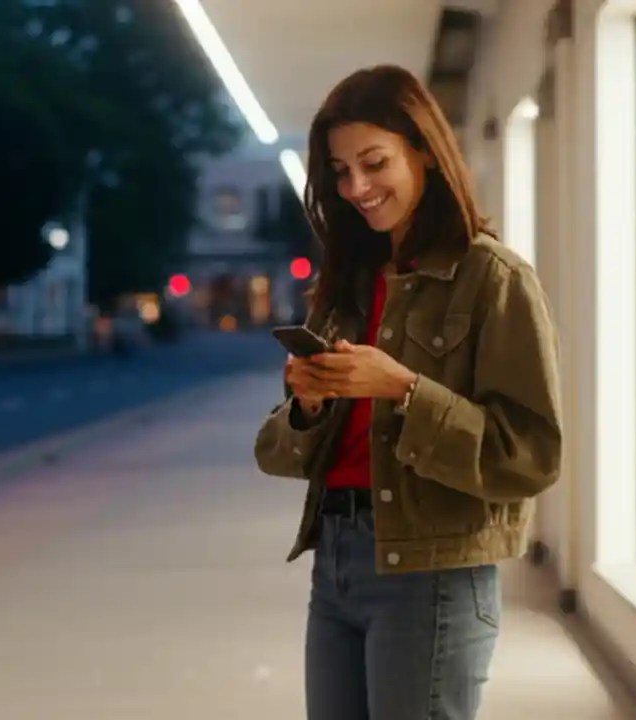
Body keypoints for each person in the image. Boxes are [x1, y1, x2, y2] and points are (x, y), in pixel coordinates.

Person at [253, 64, 563, 720]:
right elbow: (275, 453)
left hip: (430, 573)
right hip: (334, 562)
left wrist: (403, 389)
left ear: (422, 147)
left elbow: (530, 457)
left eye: (374, 162)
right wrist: (308, 409)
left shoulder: (492, 278)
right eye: (340, 171)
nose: (358, 187)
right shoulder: (347, 283)